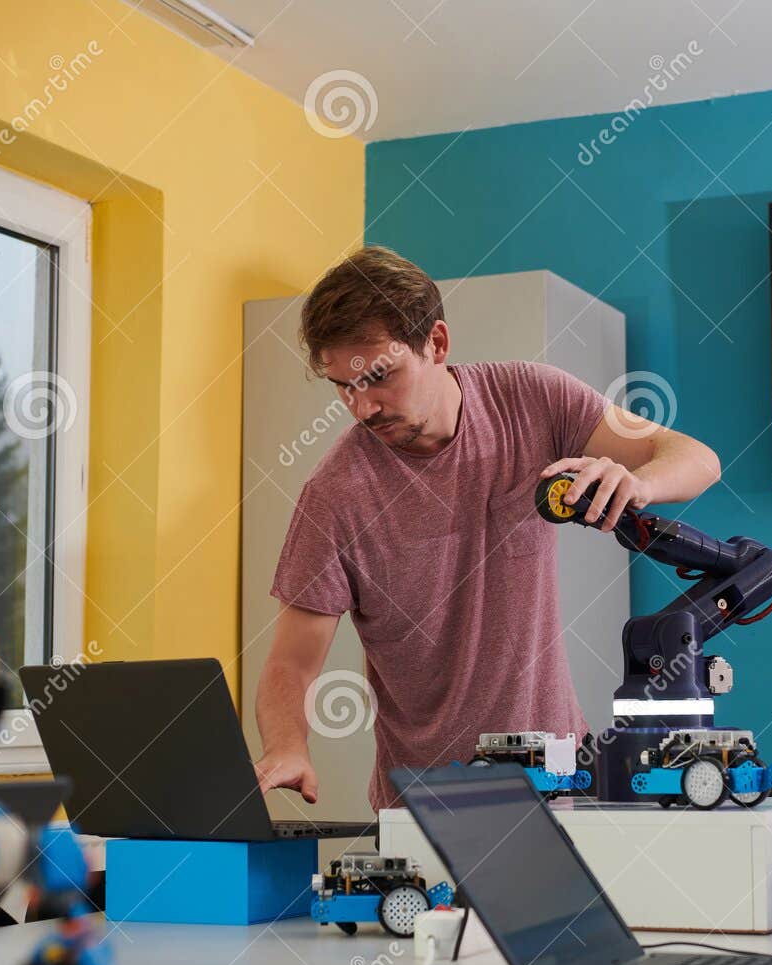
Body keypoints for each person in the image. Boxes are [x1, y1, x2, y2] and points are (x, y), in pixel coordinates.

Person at [254, 246, 721, 812]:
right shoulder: (334, 494)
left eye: (379, 376)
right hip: (424, 808)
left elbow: (694, 457)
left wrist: (637, 482)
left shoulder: (533, 398)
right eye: (343, 386)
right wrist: (286, 747)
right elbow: (290, 662)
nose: (363, 407)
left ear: (437, 344)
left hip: (557, 784)